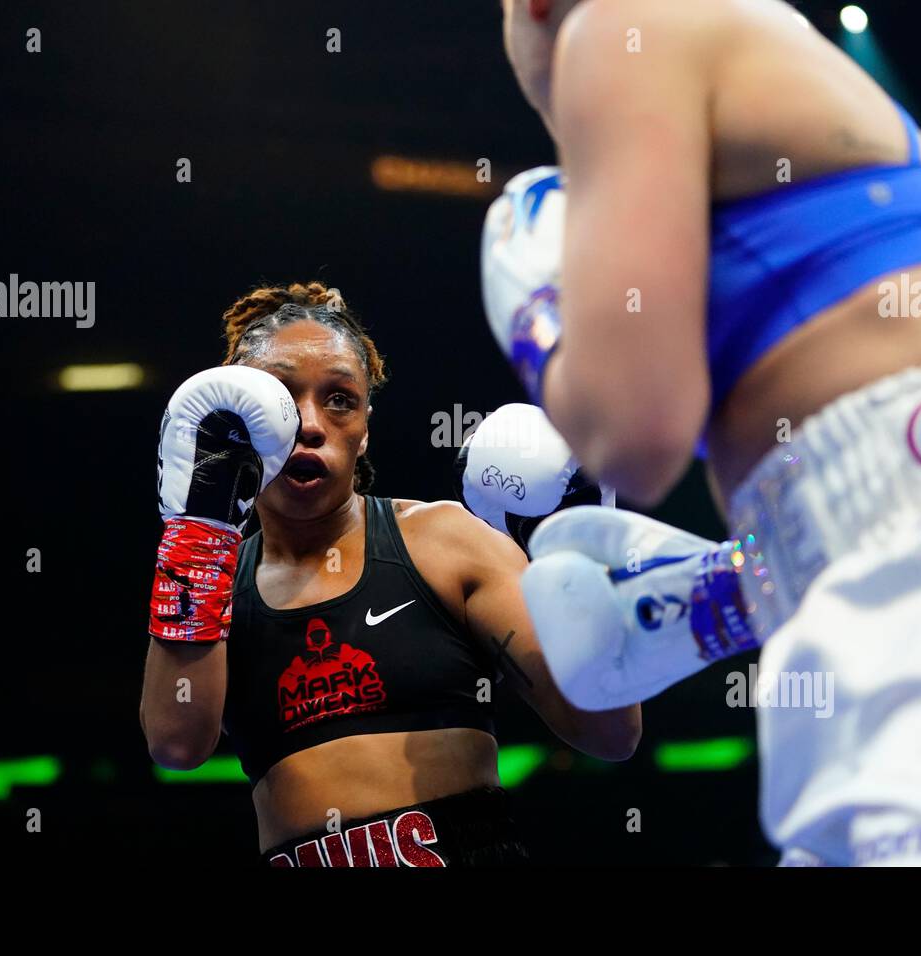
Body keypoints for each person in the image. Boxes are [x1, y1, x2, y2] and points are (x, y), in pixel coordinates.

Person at [481, 0, 921, 864]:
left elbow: (632, 438)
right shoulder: (770, 61)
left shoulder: (620, 26)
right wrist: (732, 587)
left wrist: (537, 316)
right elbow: (878, 455)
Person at [139, 281, 639, 866]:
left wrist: (577, 556)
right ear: (235, 413)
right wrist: (197, 539)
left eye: (339, 399)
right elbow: (175, 744)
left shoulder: (447, 543)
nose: (310, 423)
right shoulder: (211, 589)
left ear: (365, 428)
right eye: (281, 397)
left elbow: (612, 731)